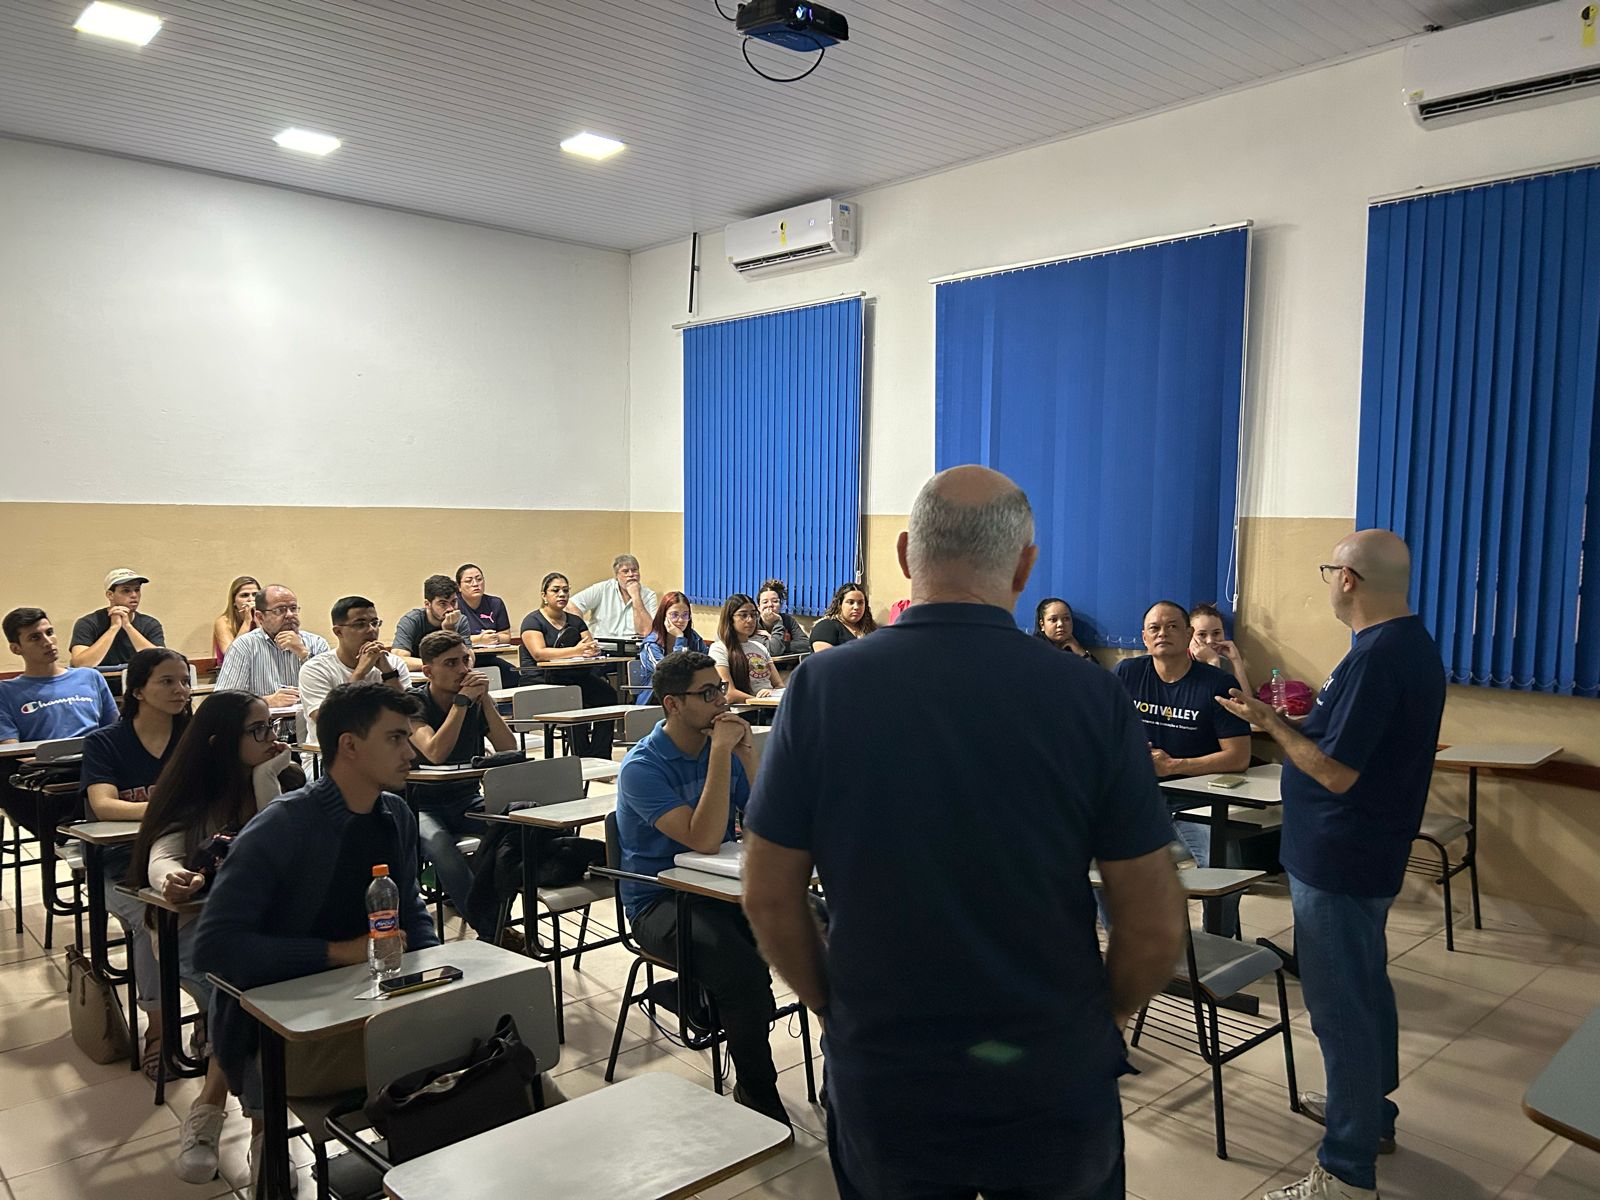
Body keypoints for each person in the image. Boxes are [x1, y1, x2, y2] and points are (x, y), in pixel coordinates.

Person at [741, 466, 1186, 1200]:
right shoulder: (1089, 695)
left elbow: (766, 896)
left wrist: (836, 1008)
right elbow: (1153, 921)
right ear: (1024, 564)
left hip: (889, 1063)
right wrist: (1087, 1021)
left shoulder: (824, 690)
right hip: (1050, 1065)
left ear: (907, 554)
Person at [1218, 531, 1445, 1200]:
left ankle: (1346, 1173)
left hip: (1342, 854)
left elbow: (1337, 771)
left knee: (1341, 1005)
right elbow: (1340, 743)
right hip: (1354, 851)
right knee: (1364, 989)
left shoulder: (1380, 658)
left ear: (1348, 579)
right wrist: (1274, 718)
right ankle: (1369, 1115)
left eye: (1328, 572)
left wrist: (1272, 727)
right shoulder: (1399, 646)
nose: (1327, 583)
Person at [193, 683, 439, 1196]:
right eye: (395, 738)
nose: (410, 751)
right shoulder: (282, 826)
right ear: (349, 746)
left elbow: (410, 908)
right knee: (466, 1059)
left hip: (373, 1004)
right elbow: (214, 948)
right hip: (293, 1031)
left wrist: (438, 972)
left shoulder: (394, 813)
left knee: (494, 1039)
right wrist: (337, 953)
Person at [127, 690, 296, 1183]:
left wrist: (266, 779)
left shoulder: (282, 780)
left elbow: (279, 850)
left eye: (273, 727)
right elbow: (162, 851)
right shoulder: (192, 791)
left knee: (245, 1000)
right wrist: (170, 879)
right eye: (258, 730)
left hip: (262, 935)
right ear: (223, 741)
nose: (272, 739)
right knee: (248, 1002)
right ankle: (265, 1133)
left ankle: (210, 1105)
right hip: (196, 937)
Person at [615, 650, 789, 1125]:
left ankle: (845, 1074)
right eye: (707, 693)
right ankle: (756, 1090)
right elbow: (705, 839)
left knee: (826, 927)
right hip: (659, 900)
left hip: (721, 888)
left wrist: (747, 752)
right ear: (673, 704)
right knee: (740, 969)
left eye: (719, 689)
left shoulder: (728, 751)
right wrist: (719, 754)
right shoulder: (642, 767)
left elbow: (767, 822)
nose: (720, 701)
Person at [79, 647, 193, 1079]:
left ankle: (208, 1021)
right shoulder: (106, 741)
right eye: (167, 681)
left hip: (185, 855)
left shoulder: (195, 737)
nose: (181, 690)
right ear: (138, 691)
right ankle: (160, 1030)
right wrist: (170, 807)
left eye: (184, 680)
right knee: (153, 920)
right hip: (119, 864)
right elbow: (104, 805)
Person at [1113, 600, 1251, 936]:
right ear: (1144, 637)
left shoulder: (1216, 683)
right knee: (1088, 859)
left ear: (1189, 635)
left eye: (1173, 626)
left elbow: (1238, 757)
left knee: (1227, 867)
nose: (1163, 633)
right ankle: (1126, 943)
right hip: (1139, 799)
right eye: (1154, 628)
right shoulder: (1127, 674)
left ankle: (1215, 948)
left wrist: (1175, 765)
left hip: (1195, 801)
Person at [408, 630, 517, 943]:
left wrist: (485, 704)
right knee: (442, 849)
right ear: (428, 671)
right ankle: (494, 930)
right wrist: (461, 704)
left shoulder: (474, 700)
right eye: (451, 663)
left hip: (466, 798)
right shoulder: (414, 703)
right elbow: (434, 753)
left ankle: (497, 917)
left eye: (465, 660)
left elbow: (507, 749)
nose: (463, 670)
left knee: (512, 829)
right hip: (421, 804)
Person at [0, 608, 119, 836]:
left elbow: (113, 730)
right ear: (16, 648)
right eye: (35, 637)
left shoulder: (89, 677)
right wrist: (55, 761)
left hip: (94, 767)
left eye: (50, 632)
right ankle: (58, 838)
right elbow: (10, 748)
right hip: (44, 774)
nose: (48, 642)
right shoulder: (6, 692)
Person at [519, 573, 617, 759]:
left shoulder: (575, 621)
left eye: (565, 590)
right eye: (555, 590)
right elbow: (539, 653)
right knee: (573, 699)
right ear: (544, 595)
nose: (562, 594)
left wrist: (591, 650)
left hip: (575, 676)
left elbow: (589, 644)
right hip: (543, 678)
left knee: (608, 696)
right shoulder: (533, 621)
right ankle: (581, 757)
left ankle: (600, 756)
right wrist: (576, 651)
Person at [215, 585, 330, 709]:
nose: (290, 615)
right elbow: (224, 703)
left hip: (308, 726)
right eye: (280, 610)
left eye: (293, 608)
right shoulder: (243, 646)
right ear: (260, 617)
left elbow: (332, 694)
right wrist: (265, 702)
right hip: (265, 726)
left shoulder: (317, 643)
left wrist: (304, 654)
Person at [298, 596, 409, 722]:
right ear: (338, 632)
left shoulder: (393, 663)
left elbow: (407, 713)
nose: (371, 630)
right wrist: (360, 672)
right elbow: (327, 721)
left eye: (374, 623)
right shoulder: (315, 669)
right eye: (360, 624)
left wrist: (388, 673)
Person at [70, 568, 166, 669]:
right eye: (126, 590)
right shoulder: (88, 623)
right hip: (98, 683)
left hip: (136, 683)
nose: (134, 595)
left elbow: (161, 662)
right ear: (110, 595)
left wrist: (128, 627)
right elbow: (80, 664)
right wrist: (114, 628)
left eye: (137, 590)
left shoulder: (150, 624)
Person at [391, 575, 476, 673]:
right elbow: (399, 659)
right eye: (443, 603)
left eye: (453, 602)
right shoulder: (412, 620)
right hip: (420, 678)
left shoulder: (460, 620)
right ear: (427, 604)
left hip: (451, 677)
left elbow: (470, 661)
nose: (450, 609)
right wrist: (438, 666)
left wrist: (449, 631)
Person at [636, 592, 708, 706]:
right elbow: (671, 675)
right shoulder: (651, 644)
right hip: (655, 702)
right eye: (674, 615)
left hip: (689, 697)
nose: (680, 620)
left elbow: (707, 666)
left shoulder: (694, 638)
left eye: (685, 615)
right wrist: (679, 638)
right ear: (663, 616)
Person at [710, 594, 785, 703]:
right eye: (743, 615)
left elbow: (779, 685)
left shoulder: (760, 647)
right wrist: (758, 700)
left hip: (769, 705)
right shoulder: (719, 649)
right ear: (730, 619)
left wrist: (772, 693)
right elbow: (729, 693)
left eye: (754, 615)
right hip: (746, 708)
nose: (750, 620)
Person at [570, 554, 657, 640]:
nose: (631, 575)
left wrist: (636, 597)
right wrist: (584, 634)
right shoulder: (602, 589)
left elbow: (646, 631)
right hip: (601, 646)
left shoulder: (649, 595)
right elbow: (571, 606)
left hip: (634, 649)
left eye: (634, 570)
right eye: (625, 571)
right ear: (616, 576)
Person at [1191, 600, 1253, 699]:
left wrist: (1236, 660)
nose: (1210, 640)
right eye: (1202, 634)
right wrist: (1213, 662)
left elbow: (1248, 705)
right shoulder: (1181, 663)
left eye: (1216, 633)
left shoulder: (1225, 663)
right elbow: (1208, 704)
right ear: (1189, 635)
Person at [454, 563, 514, 647]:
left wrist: (494, 637)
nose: (475, 584)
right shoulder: (453, 604)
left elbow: (506, 635)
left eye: (479, 579)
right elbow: (451, 638)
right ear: (459, 586)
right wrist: (480, 639)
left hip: (489, 655)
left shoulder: (495, 603)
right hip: (461, 656)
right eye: (468, 581)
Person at [752, 580, 812, 658]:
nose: (770, 605)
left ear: (780, 605)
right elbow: (774, 651)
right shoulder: (753, 625)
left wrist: (774, 640)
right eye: (765, 602)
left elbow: (807, 645)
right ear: (759, 607)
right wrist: (778, 622)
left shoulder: (788, 620)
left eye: (775, 601)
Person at [808, 582, 876, 650]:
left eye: (860, 603)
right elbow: (825, 659)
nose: (856, 607)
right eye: (850, 602)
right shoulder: (826, 626)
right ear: (840, 605)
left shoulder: (869, 628)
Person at [212, 576, 261, 664]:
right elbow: (231, 654)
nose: (251, 599)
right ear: (234, 601)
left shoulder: (265, 617)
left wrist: (259, 624)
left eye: (255, 595)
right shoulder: (223, 622)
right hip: (231, 671)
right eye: (245, 595)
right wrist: (247, 622)